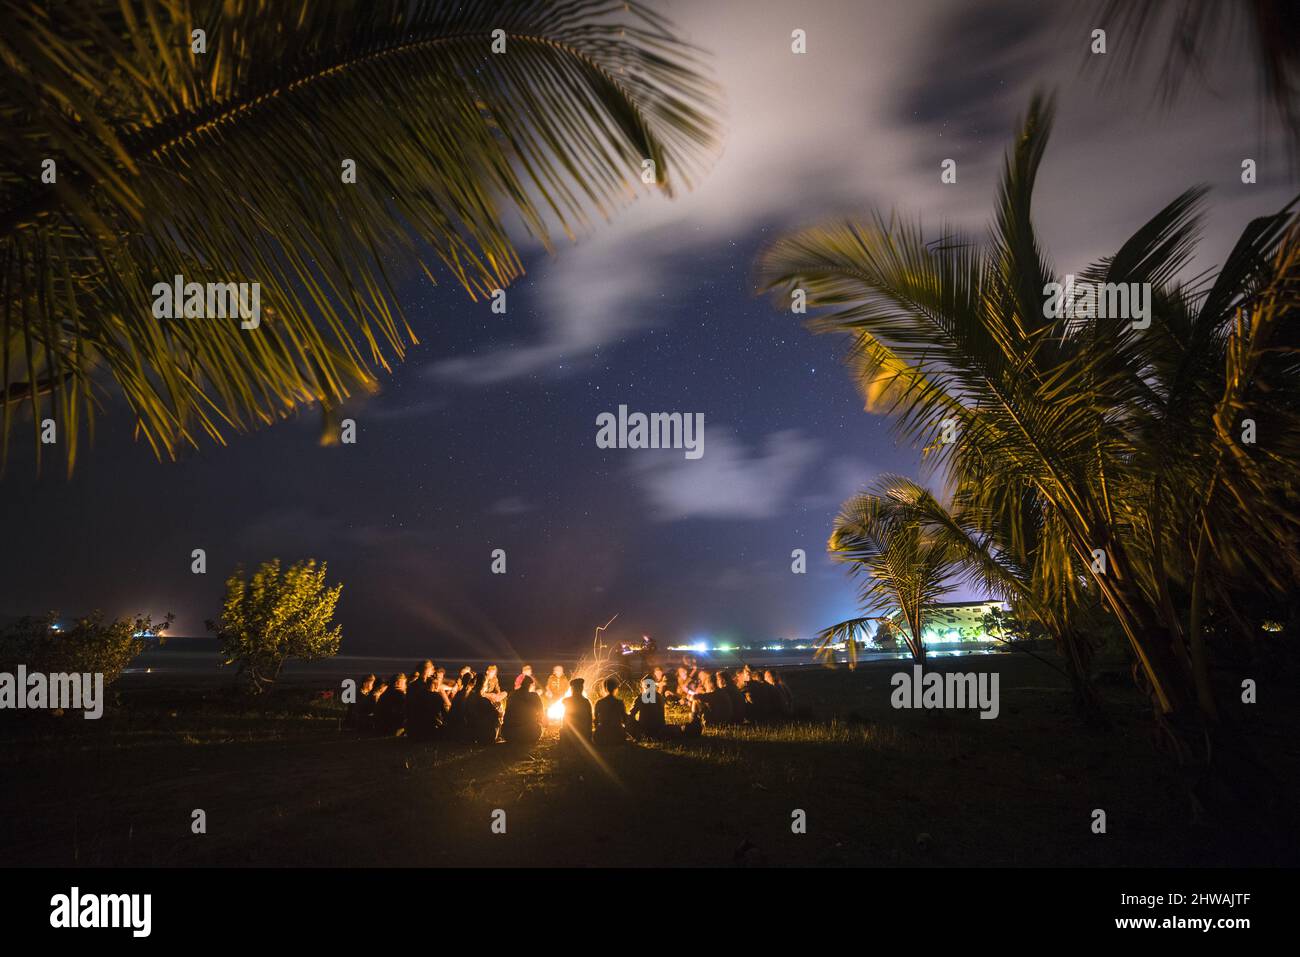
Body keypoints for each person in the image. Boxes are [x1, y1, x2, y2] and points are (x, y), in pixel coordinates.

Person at [501, 675, 544, 744]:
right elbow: (541, 713)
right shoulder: (534, 696)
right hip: (528, 735)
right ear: (530, 685)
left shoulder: (512, 695)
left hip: (508, 734)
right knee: (538, 727)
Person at [628, 673, 667, 740]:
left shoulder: (641, 697)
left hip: (644, 730)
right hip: (659, 731)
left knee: (627, 720)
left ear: (644, 686)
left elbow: (631, 714)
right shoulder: (660, 697)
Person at [466, 672, 501, 745]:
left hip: (471, 731)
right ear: (484, 685)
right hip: (481, 734)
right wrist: (497, 709)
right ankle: (494, 737)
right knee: (497, 717)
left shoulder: (469, 697)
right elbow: (496, 714)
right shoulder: (483, 700)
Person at [593, 676, 629, 746]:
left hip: (602, 735)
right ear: (616, 688)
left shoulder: (599, 702)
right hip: (617, 735)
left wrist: (598, 730)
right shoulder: (619, 702)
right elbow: (625, 720)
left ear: (605, 688)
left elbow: (595, 721)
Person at [561, 678, 593, 747]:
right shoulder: (586, 702)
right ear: (581, 689)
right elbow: (590, 718)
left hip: (569, 734)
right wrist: (589, 733)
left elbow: (564, 719)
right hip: (583, 734)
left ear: (572, 689)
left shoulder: (566, 701)